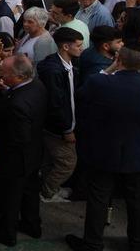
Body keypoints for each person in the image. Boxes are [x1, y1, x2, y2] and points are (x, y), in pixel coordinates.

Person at [65, 47, 140, 251]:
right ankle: (138, 243)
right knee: (138, 201)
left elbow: (80, 96)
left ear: (118, 60)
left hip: (104, 151)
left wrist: (109, 69)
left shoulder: (100, 82)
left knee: (98, 198)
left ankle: (93, 243)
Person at [0, 53, 47, 247]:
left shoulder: (18, 103)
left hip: (14, 159)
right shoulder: (37, 86)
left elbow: (19, 135)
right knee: (29, 192)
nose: (0, 74)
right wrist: (6, 90)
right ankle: (31, 225)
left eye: (4, 72)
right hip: (33, 154)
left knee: (9, 197)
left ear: (18, 76)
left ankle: (6, 233)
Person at [36, 27, 83, 204]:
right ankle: (48, 192)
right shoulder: (54, 71)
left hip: (59, 124)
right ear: (65, 46)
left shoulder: (67, 66)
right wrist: (66, 128)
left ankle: (50, 188)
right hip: (58, 127)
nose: (81, 48)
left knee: (50, 160)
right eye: (78, 45)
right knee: (67, 163)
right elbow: (57, 103)